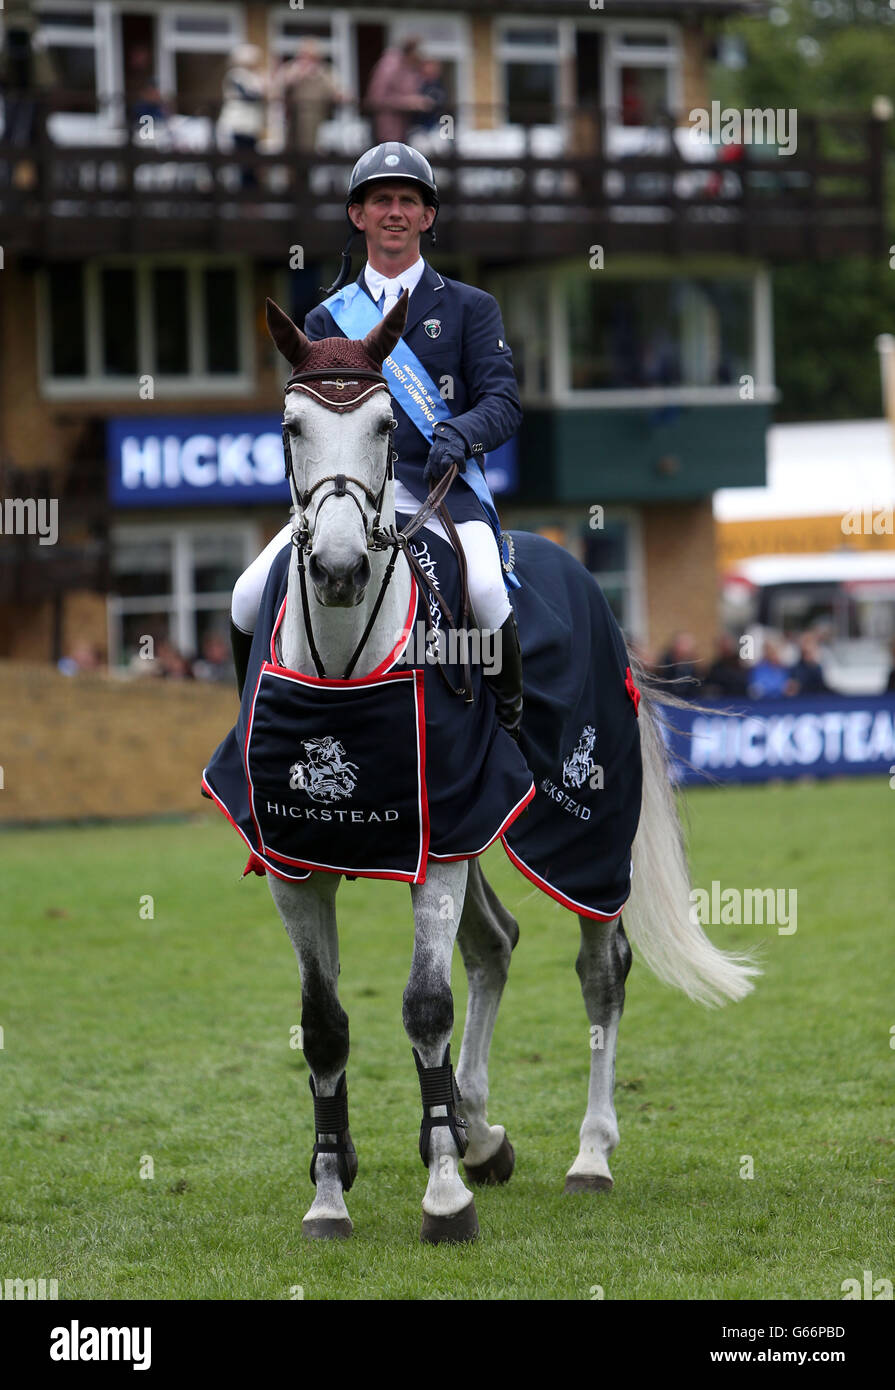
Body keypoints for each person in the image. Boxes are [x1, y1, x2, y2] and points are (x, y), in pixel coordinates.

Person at [229, 142, 525, 738]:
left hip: (443, 494)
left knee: (489, 593)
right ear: (357, 216)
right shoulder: (325, 320)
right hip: (348, 499)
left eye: (408, 201)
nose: (395, 211)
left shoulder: (471, 307)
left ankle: (511, 725)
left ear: (427, 217)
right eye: (380, 200)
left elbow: (503, 402)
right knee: (244, 595)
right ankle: (253, 722)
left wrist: (460, 431)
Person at [275, 38, 344, 153]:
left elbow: (338, 93)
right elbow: (276, 91)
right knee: (292, 156)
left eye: (310, 57)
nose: (306, 60)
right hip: (293, 123)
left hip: (317, 122)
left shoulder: (325, 72)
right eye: (303, 55)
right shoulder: (290, 69)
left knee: (313, 153)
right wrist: (293, 77)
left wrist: (319, 75)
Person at [364, 38, 433, 144]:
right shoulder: (389, 66)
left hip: (404, 130)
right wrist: (409, 102)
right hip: (387, 130)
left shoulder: (411, 68)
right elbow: (375, 98)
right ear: (411, 52)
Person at [218, 44, 268, 184]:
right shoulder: (235, 75)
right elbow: (250, 96)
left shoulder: (255, 77)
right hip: (238, 125)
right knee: (242, 162)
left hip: (252, 127)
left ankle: (250, 195)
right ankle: (244, 196)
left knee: (251, 162)